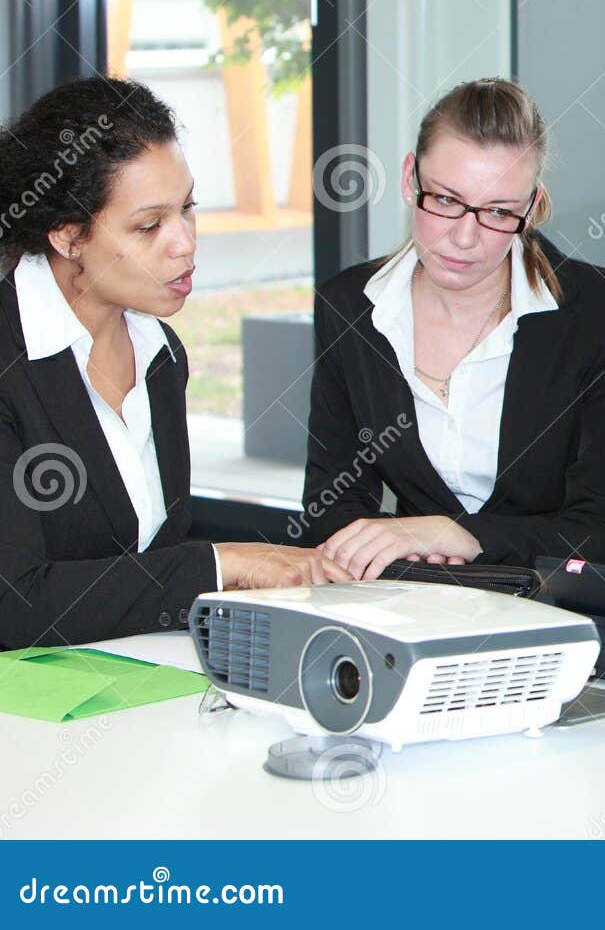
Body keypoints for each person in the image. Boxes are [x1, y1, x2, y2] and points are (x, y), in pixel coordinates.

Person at [0, 77, 349, 650]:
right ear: (67, 236)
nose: (185, 242)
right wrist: (221, 565)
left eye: (187, 208)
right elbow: (16, 605)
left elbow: (146, 561)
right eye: (149, 225)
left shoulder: (161, 353)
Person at [304, 78, 605, 583]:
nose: (464, 237)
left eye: (498, 212)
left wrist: (458, 535)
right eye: (446, 200)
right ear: (410, 178)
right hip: (421, 597)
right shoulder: (349, 308)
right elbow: (329, 506)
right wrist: (411, 552)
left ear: (532, 206)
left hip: (572, 606)